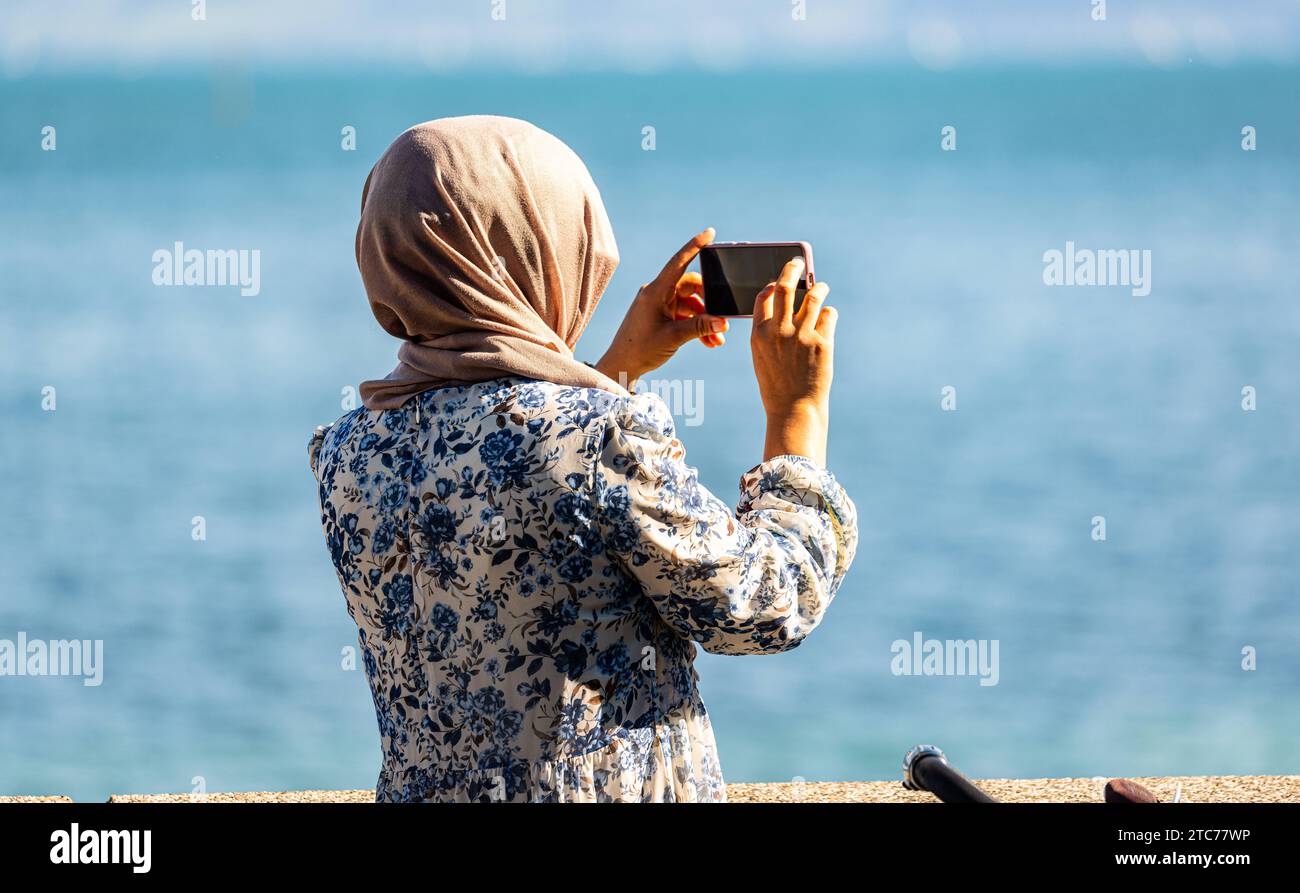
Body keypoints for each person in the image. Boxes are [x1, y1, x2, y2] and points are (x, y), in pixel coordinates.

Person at [309, 115, 858, 802]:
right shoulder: (604, 440)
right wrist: (795, 414)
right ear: (541, 253)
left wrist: (614, 368)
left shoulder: (347, 453)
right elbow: (764, 604)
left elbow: (520, 484)